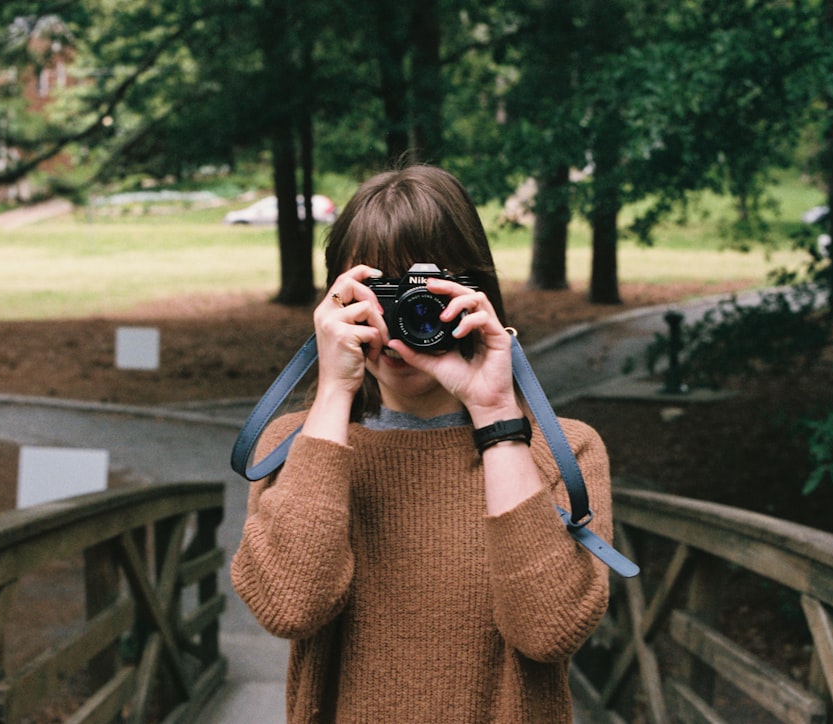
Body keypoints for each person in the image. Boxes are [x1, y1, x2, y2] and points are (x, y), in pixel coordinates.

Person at [231, 164, 613, 722]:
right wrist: (335, 389)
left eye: (421, 293)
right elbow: (289, 606)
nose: (399, 319)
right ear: (335, 302)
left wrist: (495, 411)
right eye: (377, 292)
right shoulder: (294, 446)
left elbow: (548, 632)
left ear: (473, 293)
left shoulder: (562, 453)